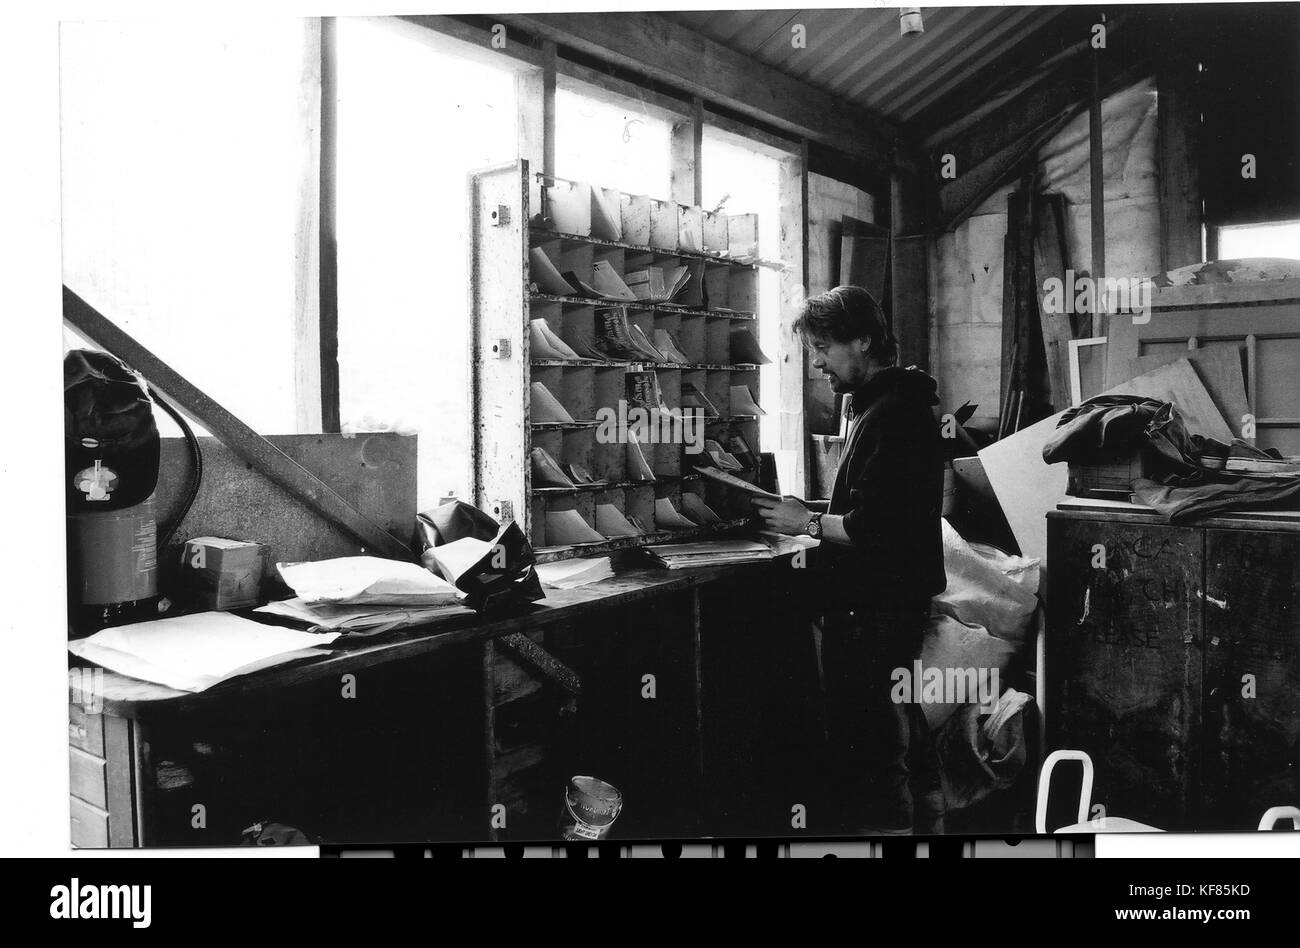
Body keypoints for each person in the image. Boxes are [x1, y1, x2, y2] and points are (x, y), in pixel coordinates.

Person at [752, 285, 947, 834]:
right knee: (901, 727)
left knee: (872, 744)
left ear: (862, 340)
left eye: (824, 348)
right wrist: (805, 508)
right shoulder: (887, 404)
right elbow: (874, 503)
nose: (817, 362)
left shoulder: (895, 414)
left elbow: (875, 529)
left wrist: (806, 524)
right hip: (885, 603)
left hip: (877, 607)